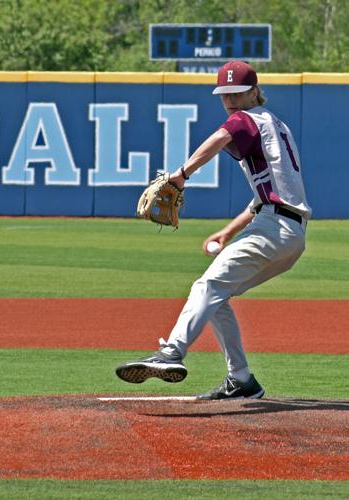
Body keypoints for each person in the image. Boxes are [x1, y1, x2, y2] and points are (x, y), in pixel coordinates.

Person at [115, 60, 311, 400]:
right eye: (225, 94)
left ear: (254, 92)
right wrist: (226, 233)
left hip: (276, 227)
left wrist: (181, 174)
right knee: (216, 294)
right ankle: (242, 379)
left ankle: (171, 352)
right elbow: (264, 199)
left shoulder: (245, 120)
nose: (231, 100)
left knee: (206, 285)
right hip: (288, 231)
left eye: (237, 92)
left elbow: (220, 137)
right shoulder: (274, 126)